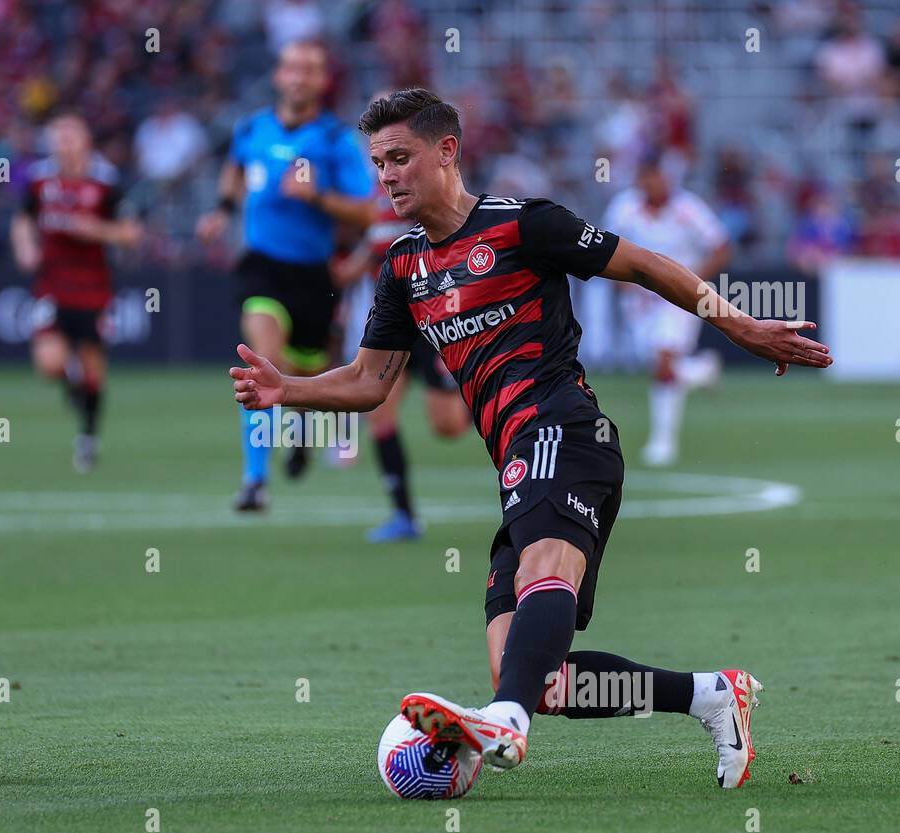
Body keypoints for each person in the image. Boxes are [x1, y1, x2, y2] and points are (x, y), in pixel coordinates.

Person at [231, 89, 831, 787]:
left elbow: (641, 263)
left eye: (400, 158)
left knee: (531, 635)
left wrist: (737, 322)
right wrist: (289, 389)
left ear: (446, 151)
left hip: (564, 430)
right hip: (516, 460)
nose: (388, 176)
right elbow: (370, 381)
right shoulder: (401, 268)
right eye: (378, 163)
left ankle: (507, 723)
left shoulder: (524, 226)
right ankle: (710, 695)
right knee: (540, 676)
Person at [197, 39, 375, 511]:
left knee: (303, 376)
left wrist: (317, 197)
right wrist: (221, 210)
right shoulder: (252, 128)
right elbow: (234, 170)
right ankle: (255, 481)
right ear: (279, 75)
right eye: (292, 67)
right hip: (261, 265)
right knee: (262, 359)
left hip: (314, 275)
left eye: (310, 69)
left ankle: (300, 434)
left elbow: (368, 211)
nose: (299, 76)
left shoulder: (337, 139)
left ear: (321, 81)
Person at [332, 184, 468, 541]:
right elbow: (372, 254)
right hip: (392, 328)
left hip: (430, 324)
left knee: (448, 427)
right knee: (379, 413)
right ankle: (404, 516)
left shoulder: (424, 196)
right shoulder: (374, 203)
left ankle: (476, 397)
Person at [12, 112, 142, 472]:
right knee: (49, 364)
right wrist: (25, 246)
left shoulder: (106, 182)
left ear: (86, 140)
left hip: (94, 290)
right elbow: (23, 218)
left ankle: (88, 436)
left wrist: (96, 230)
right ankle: (75, 390)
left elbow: (131, 232)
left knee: (94, 372)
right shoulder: (40, 180)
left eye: (71, 135)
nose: (64, 142)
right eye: (58, 136)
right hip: (52, 286)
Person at [603, 154, 730, 466]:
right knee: (660, 368)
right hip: (639, 303)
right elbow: (603, 251)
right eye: (646, 177)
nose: (652, 183)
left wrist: (692, 282)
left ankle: (663, 442)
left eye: (657, 176)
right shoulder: (624, 208)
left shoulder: (688, 208)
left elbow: (722, 247)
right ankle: (701, 371)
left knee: (663, 361)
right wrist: (625, 286)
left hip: (679, 300)